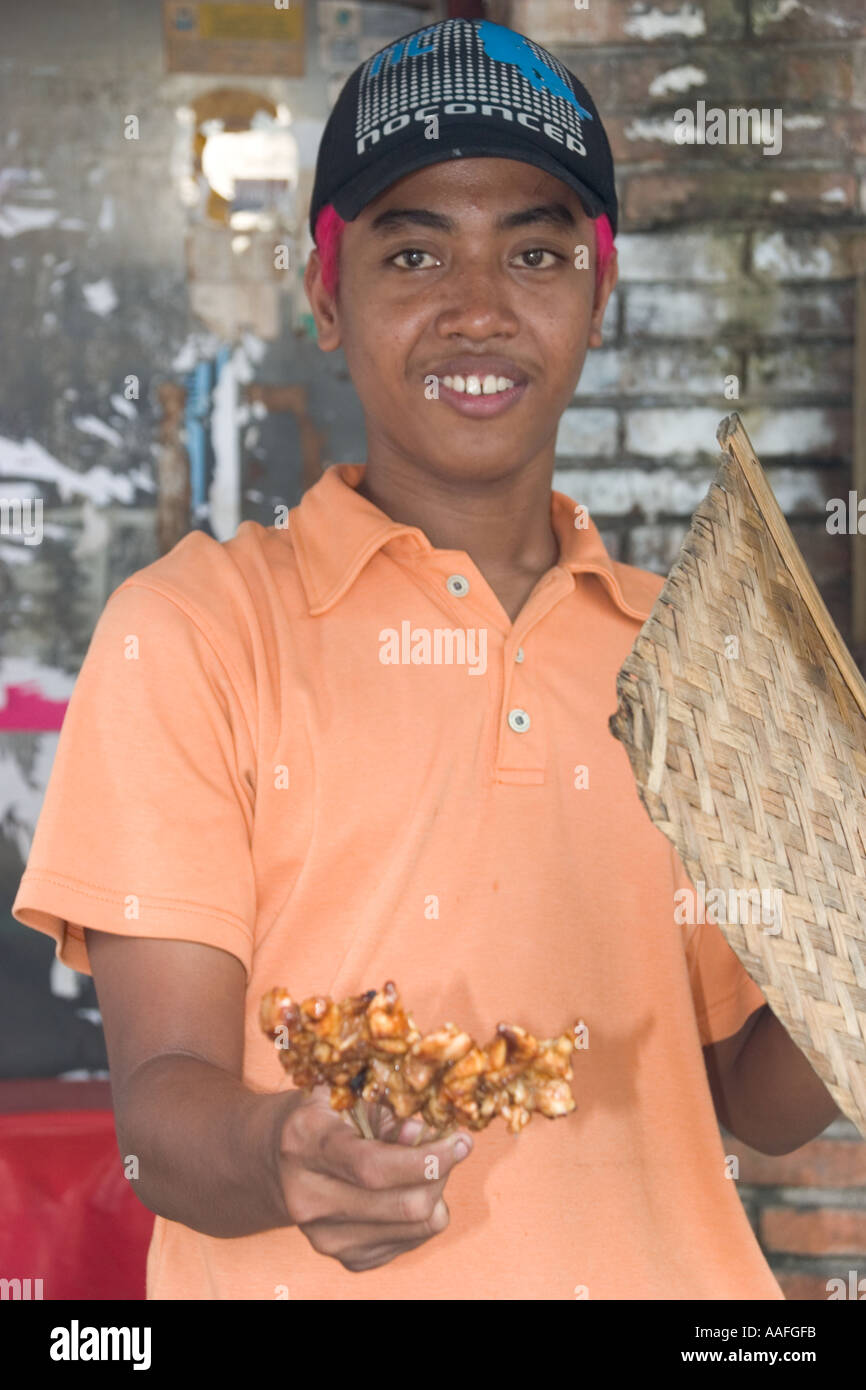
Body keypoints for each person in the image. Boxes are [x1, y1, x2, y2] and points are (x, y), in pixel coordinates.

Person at [12, 17, 838, 1301]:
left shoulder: (697, 661)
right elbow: (162, 1114)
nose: (477, 310)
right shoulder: (194, 630)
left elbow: (762, 1099)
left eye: (534, 251)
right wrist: (285, 1149)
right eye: (413, 251)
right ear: (327, 296)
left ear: (596, 297)